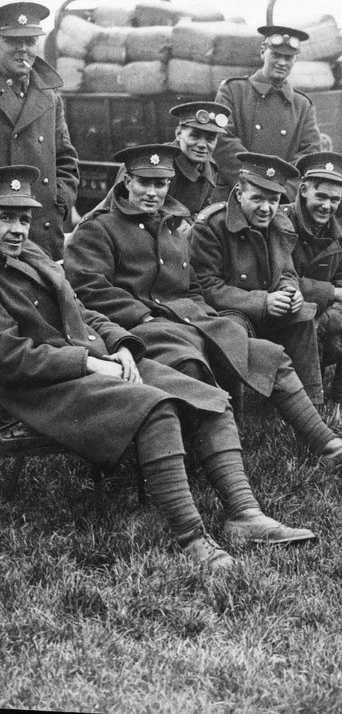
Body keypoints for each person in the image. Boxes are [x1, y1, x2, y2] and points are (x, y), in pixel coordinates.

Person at [0, 166, 315, 569]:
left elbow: (80, 312)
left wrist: (121, 344)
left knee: (207, 396)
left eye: (23, 219)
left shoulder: (32, 255)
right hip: (41, 386)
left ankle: (245, 515)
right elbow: (11, 358)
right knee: (157, 406)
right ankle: (192, 539)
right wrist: (89, 363)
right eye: (5, 217)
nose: (16, 229)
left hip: (95, 362)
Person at [65, 145, 342, 469]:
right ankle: (211, 454)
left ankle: (326, 443)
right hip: (137, 326)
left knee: (268, 354)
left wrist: (210, 315)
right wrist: (144, 314)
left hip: (187, 317)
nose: (153, 192)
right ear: (127, 181)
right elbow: (88, 288)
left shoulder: (171, 227)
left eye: (160, 184)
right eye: (144, 183)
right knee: (200, 354)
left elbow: (191, 286)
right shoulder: (98, 228)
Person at [189, 153, 323, 402]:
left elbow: (287, 272)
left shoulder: (280, 223)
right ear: (239, 194)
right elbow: (205, 286)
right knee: (233, 327)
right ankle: (232, 407)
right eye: (257, 198)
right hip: (226, 312)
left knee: (303, 313)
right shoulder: (212, 225)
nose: (266, 208)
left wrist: (289, 291)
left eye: (273, 200)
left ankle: (310, 401)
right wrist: (263, 302)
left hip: (267, 309)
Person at [284, 151, 342, 403]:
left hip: (325, 310)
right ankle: (307, 399)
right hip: (287, 305)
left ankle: (341, 394)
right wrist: (333, 293)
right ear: (303, 190)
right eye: (320, 196)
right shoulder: (282, 222)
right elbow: (280, 277)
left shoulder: (341, 229)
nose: (327, 206)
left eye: (335, 199)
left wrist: (335, 316)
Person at [0, 2, 79, 260]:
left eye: (30, 41)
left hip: (42, 228)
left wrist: (59, 206)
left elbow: (66, 160)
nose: (23, 48)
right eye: (13, 41)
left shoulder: (50, 96)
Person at [213, 25, 321, 197]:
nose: (282, 63)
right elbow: (222, 140)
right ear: (263, 52)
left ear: (296, 60)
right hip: (237, 192)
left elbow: (310, 153)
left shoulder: (303, 105)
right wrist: (252, 184)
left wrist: (282, 190)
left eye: (289, 57)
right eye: (276, 55)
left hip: (281, 197)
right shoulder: (233, 91)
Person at [168, 101, 230, 217]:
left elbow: (203, 209)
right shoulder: (164, 164)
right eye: (195, 136)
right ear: (178, 134)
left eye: (210, 139)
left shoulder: (209, 167)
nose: (202, 145)